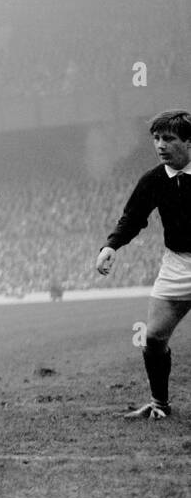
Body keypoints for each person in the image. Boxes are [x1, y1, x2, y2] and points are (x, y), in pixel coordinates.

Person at [97, 109, 191, 420]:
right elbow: (133, 218)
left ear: (189, 143)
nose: (161, 145)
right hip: (177, 264)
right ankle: (159, 405)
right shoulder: (154, 179)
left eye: (169, 138)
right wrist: (111, 246)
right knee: (153, 337)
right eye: (156, 139)